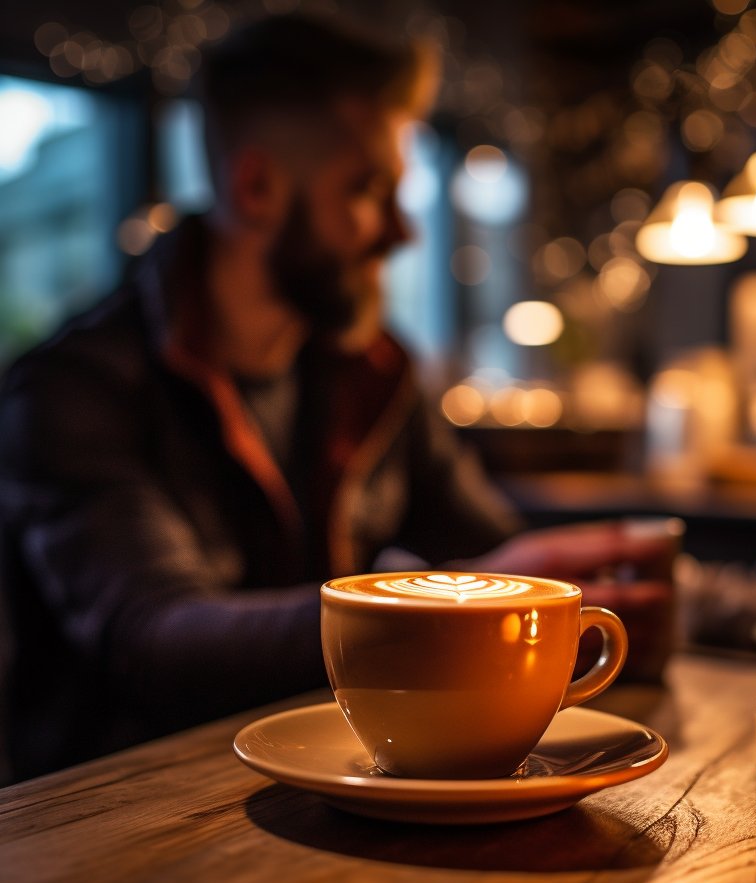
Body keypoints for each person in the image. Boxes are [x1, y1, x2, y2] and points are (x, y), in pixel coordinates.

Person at [0, 14, 673, 783]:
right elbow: (154, 638)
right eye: (367, 189)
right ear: (256, 188)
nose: (401, 231)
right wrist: (426, 611)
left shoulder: (372, 371)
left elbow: (493, 551)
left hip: (342, 789)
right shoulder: (72, 387)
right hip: (123, 816)